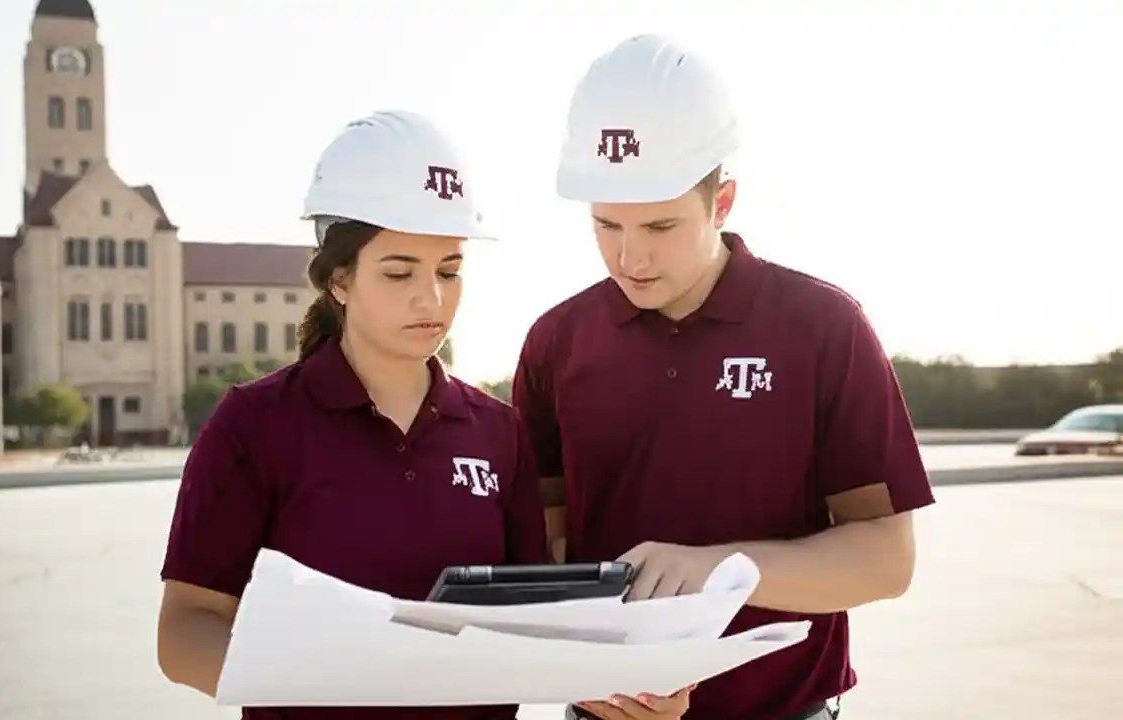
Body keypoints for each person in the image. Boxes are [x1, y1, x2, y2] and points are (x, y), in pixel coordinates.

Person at [513, 35, 937, 720]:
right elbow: (543, 549)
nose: (630, 257)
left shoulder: (823, 327)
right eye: (605, 224)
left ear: (724, 200)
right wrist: (588, 669)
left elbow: (887, 560)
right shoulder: (557, 341)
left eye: (661, 225)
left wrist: (720, 571)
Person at [156, 109, 547, 720]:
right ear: (338, 279)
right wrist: (338, 678)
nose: (432, 298)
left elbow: (542, 627)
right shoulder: (255, 426)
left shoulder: (501, 433)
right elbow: (184, 634)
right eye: (399, 272)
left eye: (450, 270)